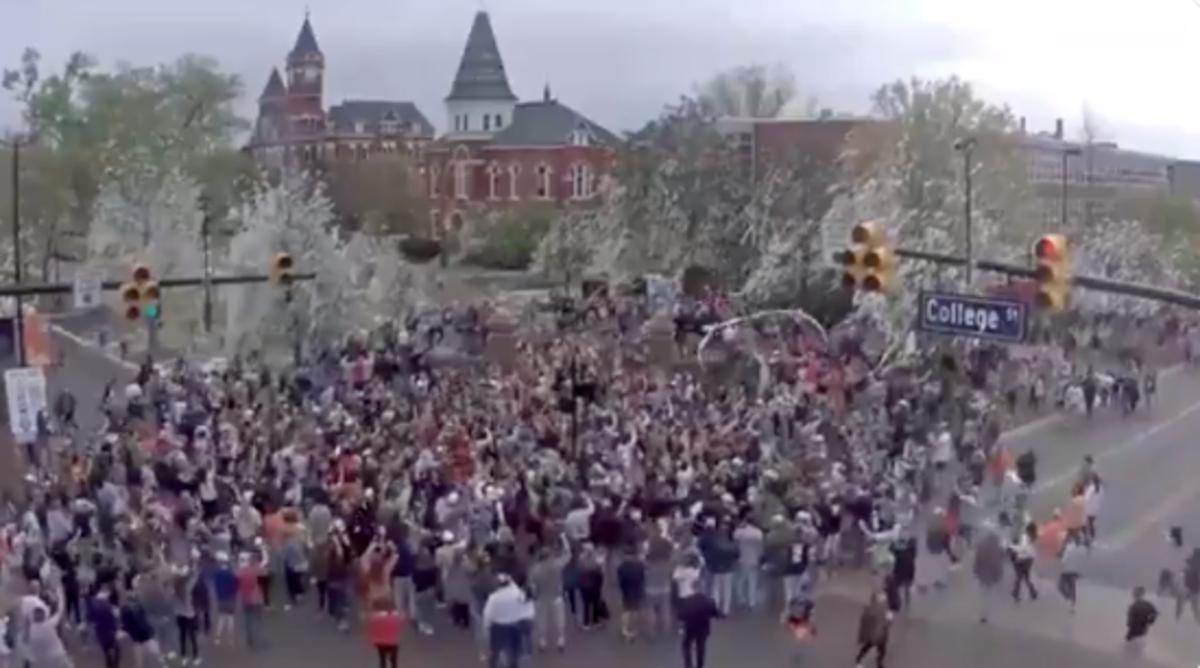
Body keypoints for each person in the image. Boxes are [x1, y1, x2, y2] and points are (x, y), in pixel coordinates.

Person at [483, 573, 526, 668]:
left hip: (498, 627)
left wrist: (487, 625)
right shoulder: (518, 594)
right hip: (514, 626)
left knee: (495, 651)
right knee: (514, 651)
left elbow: (488, 614)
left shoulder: (494, 597)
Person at [676, 587, 721, 668]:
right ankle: (700, 665)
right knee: (701, 647)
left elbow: (680, 615)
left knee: (686, 645)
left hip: (690, 628)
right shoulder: (708, 601)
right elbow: (716, 614)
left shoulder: (687, 601)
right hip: (703, 629)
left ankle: (688, 664)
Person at [616, 545, 646, 641]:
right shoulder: (640, 565)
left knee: (626, 610)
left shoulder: (622, 566)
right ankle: (633, 629)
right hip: (637, 589)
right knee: (635, 610)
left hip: (626, 590)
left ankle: (625, 630)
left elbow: (620, 580)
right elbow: (643, 578)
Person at [854, 591, 891, 668]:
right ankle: (860, 659)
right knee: (877, 649)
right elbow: (885, 622)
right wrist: (888, 620)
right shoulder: (874, 608)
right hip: (877, 633)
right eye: (881, 597)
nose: (883, 599)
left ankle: (877, 664)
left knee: (879, 650)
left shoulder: (875, 607)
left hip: (879, 633)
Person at [365, 599, 403, 668]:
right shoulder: (395, 617)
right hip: (393, 642)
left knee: (382, 659)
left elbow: (372, 630)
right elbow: (398, 627)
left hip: (380, 642)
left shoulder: (375, 618)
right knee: (394, 660)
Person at [1124, 586, 1157, 658]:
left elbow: (1155, 613)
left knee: (1131, 651)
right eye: (1134, 593)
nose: (1133, 594)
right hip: (1137, 631)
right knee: (1133, 652)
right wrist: (1150, 621)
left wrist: (1150, 621)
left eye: (1135, 593)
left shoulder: (1142, 605)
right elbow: (1155, 613)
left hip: (1137, 632)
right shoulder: (1137, 605)